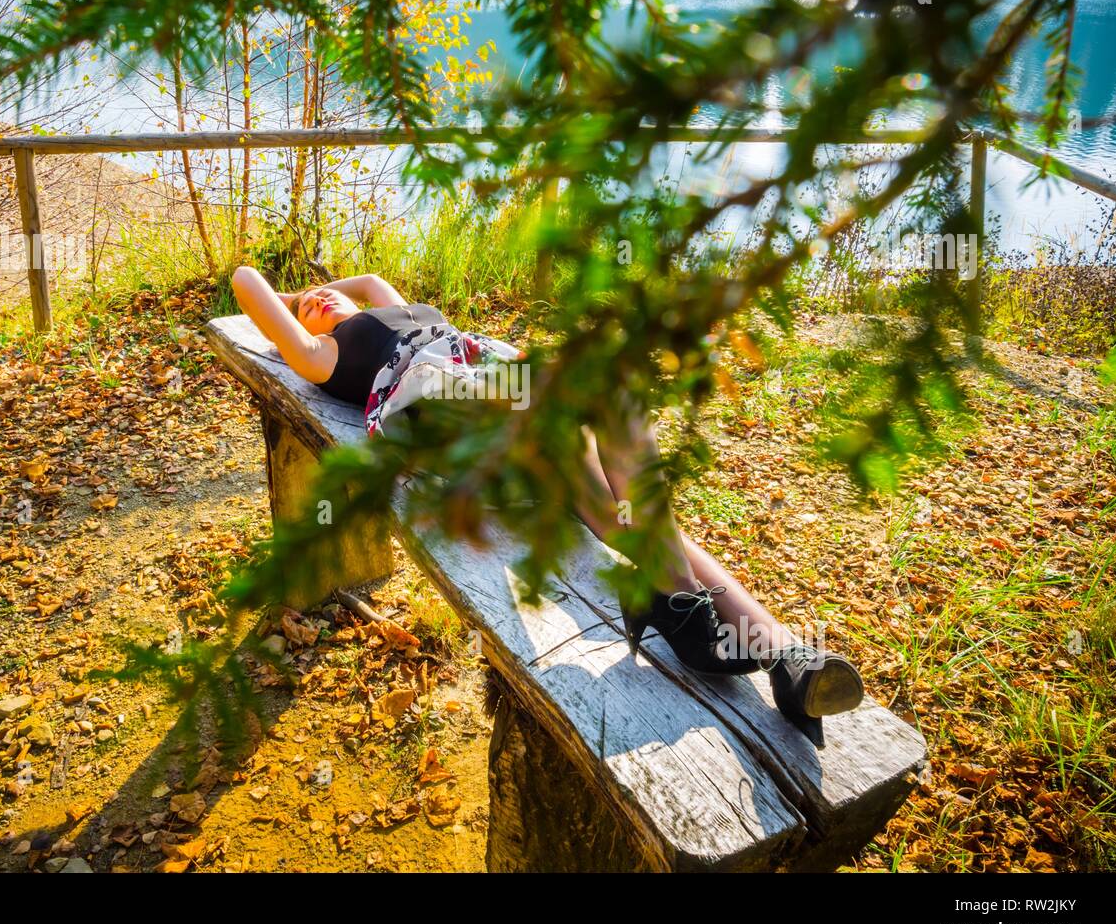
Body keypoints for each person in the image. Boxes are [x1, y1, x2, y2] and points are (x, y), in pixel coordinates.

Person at [231, 265, 864, 746]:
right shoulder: (327, 356)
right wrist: (296, 310)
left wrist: (329, 291)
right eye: (306, 310)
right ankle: (678, 604)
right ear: (300, 336)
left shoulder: (388, 307)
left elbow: (369, 280)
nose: (318, 299)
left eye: (324, 294)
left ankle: (785, 658)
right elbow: (243, 279)